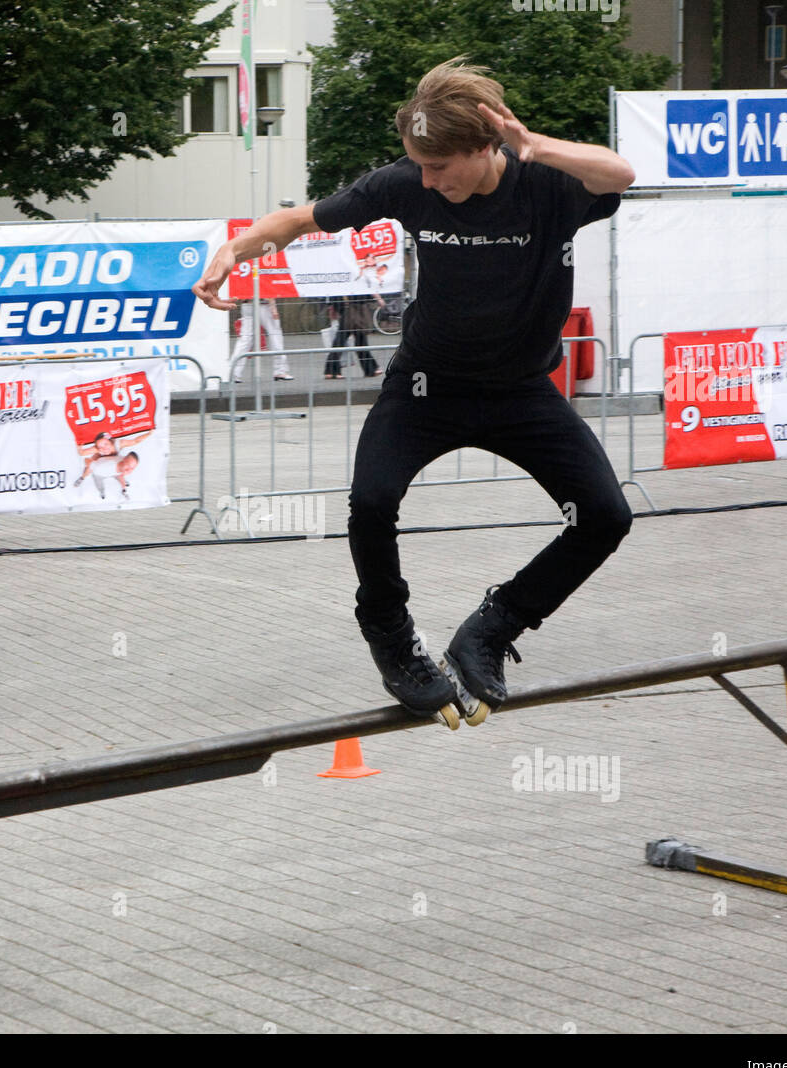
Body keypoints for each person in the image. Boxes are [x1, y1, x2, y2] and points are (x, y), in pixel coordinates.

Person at [193, 57, 635, 722]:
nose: (430, 183)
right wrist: (234, 252)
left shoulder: (549, 187)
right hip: (425, 389)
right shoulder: (406, 184)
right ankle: (393, 639)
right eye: (421, 170)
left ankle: (494, 626)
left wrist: (538, 147)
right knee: (371, 501)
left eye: (441, 170)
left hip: (521, 393)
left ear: (485, 147)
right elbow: (301, 220)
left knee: (605, 517)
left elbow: (619, 173)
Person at [229, 298, 292, 382]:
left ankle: (233, 373)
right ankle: (280, 370)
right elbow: (267, 289)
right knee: (275, 336)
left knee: (244, 340)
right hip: (263, 304)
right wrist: (273, 308)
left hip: (247, 304)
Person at [323, 292, 379, 379]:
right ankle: (331, 370)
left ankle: (370, 369)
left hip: (350, 304)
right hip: (350, 306)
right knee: (346, 338)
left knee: (356, 338)